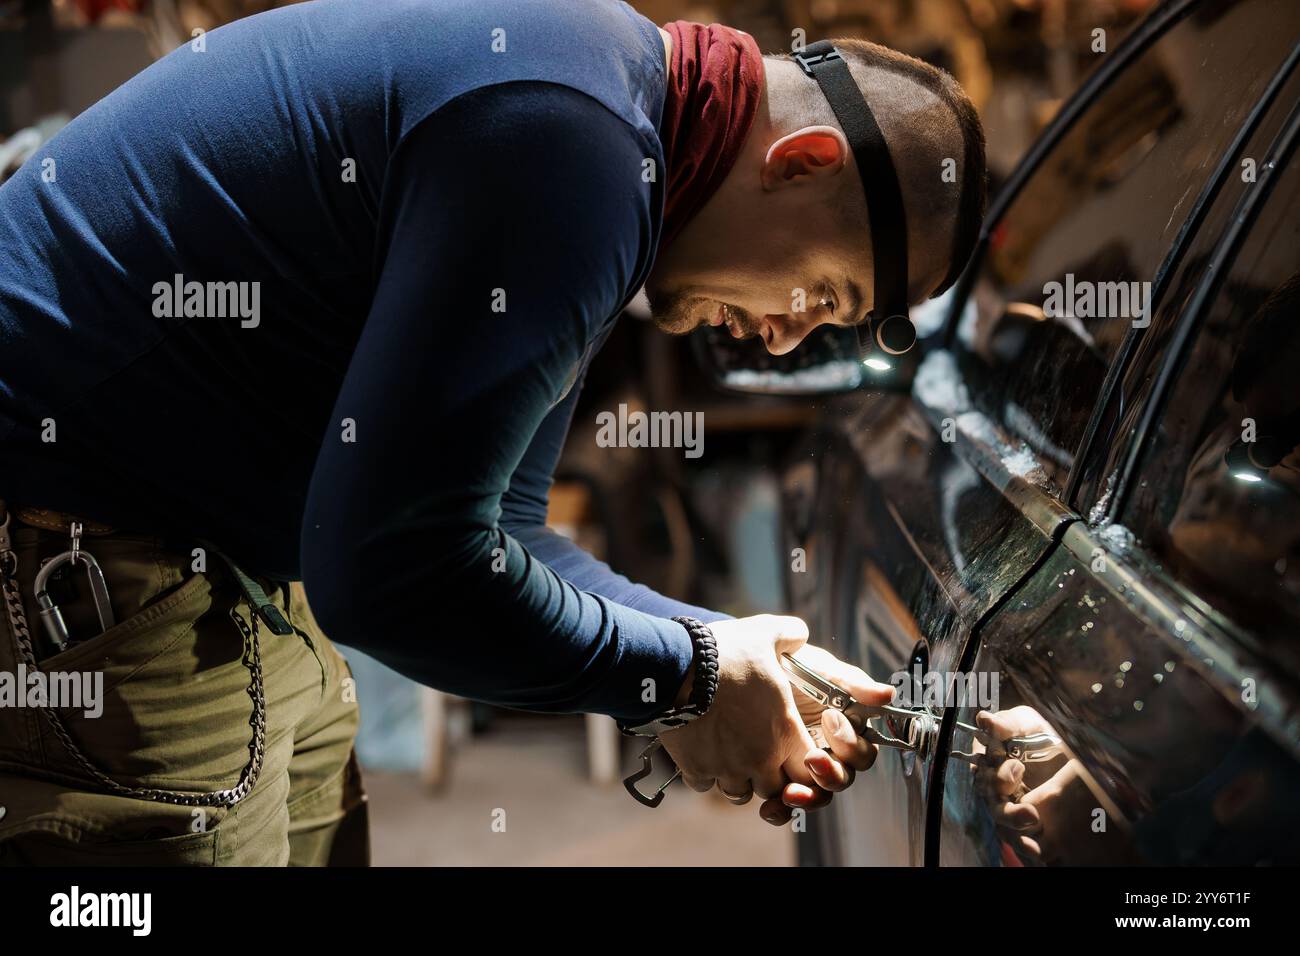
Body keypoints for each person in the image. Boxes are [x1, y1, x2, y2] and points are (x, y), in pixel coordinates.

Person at [0, 0, 985, 864]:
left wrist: (709, 644)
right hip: (78, 554)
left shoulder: (614, 120)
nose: (783, 335)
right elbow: (391, 575)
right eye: (824, 293)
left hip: (219, 560)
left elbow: (495, 526)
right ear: (801, 160)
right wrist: (680, 680)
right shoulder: (571, 141)